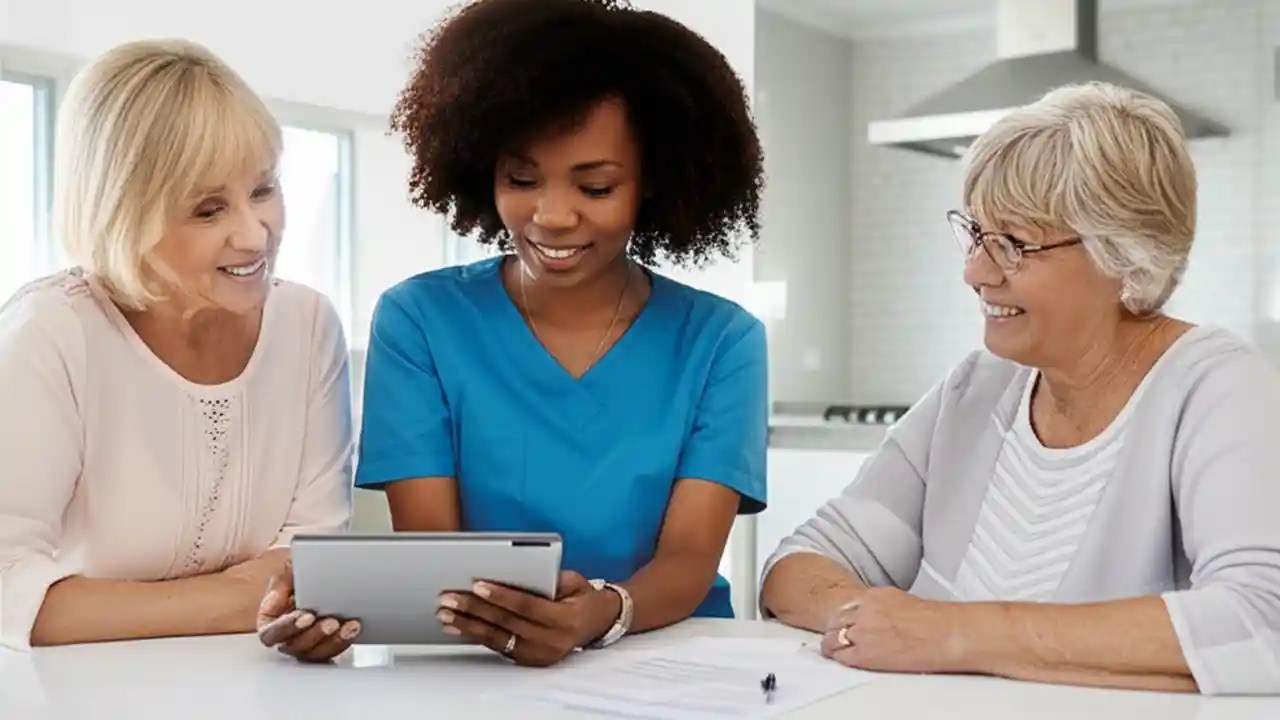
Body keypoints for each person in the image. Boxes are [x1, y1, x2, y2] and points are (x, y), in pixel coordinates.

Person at [257, 0, 768, 666]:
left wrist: (601, 614)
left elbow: (689, 559)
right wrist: (329, 613)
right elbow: (432, 555)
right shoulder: (420, 320)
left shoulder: (722, 341)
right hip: (476, 663)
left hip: (669, 656)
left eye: (596, 187)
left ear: (653, 182)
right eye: (521, 179)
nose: (552, 215)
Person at [760, 82, 1280, 696]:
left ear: (1125, 254)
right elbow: (797, 565)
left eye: (1013, 245)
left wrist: (951, 634)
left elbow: (1261, 620)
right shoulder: (976, 388)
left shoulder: (1217, 386)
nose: (975, 271)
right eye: (977, 234)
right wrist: (872, 623)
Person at [0, 39, 354, 651]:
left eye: (263, 190)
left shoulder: (308, 324)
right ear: (123, 214)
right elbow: (8, 588)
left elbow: (314, 559)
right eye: (208, 210)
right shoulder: (52, 332)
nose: (255, 235)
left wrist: (90, 604)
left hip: (263, 686)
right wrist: (238, 598)